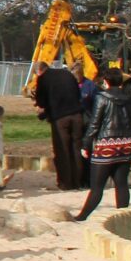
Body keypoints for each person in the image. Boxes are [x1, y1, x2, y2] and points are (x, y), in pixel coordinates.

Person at [72, 68, 131, 222]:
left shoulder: (101, 98)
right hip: (127, 143)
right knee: (122, 184)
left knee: (97, 187)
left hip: (107, 144)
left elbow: (94, 124)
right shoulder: (130, 98)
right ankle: (123, 217)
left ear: (105, 81)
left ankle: (82, 216)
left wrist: (86, 144)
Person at [33, 61, 87, 191]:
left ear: (39, 71)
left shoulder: (43, 79)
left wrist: (41, 111)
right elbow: (77, 93)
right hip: (78, 115)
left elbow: (41, 102)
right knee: (76, 149)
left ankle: (65, 183)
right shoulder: (66, 73)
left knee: (62, 150)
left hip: (60, 118)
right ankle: (78, 181)